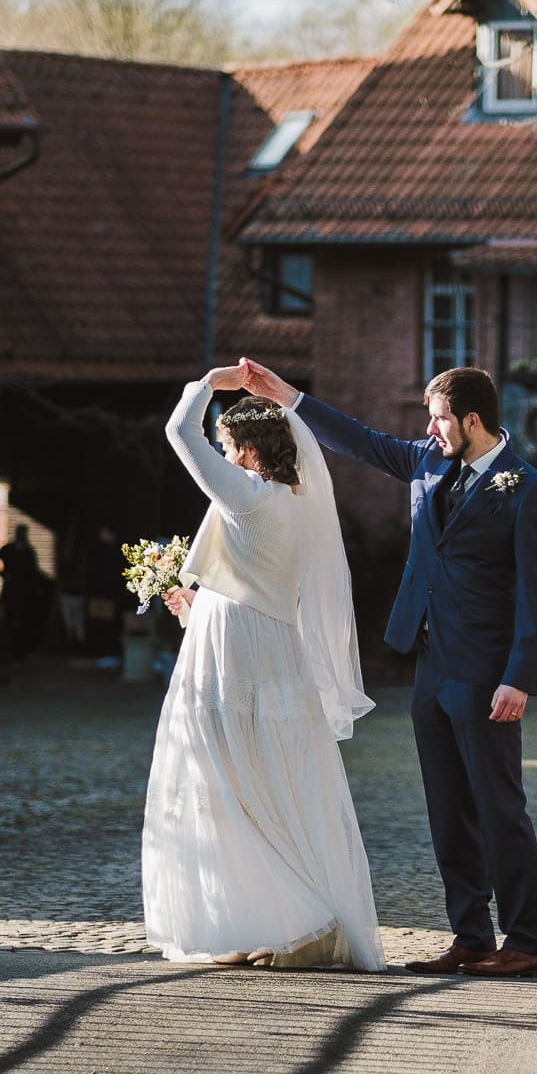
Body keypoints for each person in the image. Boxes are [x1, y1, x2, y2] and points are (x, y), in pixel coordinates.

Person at [243, 358, 537, 979]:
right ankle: (469, 936)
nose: (430, 429)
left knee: (499, 807)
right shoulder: (428, 462)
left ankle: (527, 941)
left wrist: (518, 676)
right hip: (431, 665)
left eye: (440, 420)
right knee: (446, 809)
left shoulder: (526, 489)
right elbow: (361, 441)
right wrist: (287, 396)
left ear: (472, 420)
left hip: (488, 673)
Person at [142, 365, 384, 970]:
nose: (223, 455)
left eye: (228, 447)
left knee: (221, 777)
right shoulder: (299, 507)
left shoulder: (247, 496)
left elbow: (179, 432)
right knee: (268, 778)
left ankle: (293, 920)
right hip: (273, 643)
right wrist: (193, 605)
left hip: (232, 647)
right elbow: (256, 584)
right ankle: (266, 924)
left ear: (248, 450)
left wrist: (210, 381)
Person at [0, 525, 49, 660]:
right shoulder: (9, 549)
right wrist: (3, 574)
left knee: (23, 619)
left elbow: (33, 571)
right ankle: (7, 649)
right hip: (11, 589)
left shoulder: (28, 551)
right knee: (9, 618)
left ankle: (19, 650)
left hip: (24, 591)